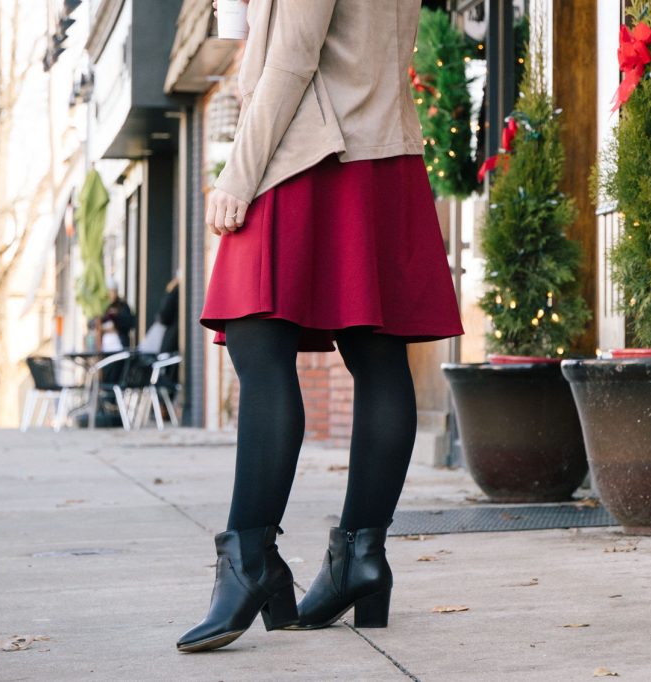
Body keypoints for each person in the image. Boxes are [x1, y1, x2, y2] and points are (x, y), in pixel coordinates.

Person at [177, 0, 463, 653]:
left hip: (308, 155)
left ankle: (249, 560)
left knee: (257, 340)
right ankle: (361, 555)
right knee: (378, 355)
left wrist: (237, 176)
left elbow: (292, 59)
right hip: (382, 151)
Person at [100, 276, 134, 351]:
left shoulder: (122, 305)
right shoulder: (101, 306)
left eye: (113, 291)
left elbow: (129, 323)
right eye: (109, 291)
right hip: (104, 344)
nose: (111, 294)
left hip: (120, 343)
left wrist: (116, 321)